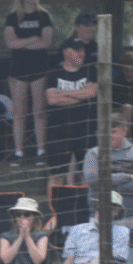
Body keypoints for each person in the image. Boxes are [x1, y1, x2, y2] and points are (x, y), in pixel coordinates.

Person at [3, 0, 52, 167]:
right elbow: (10, 43)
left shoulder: (44, 16)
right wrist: (32, 38)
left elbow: (46, 42)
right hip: (18, 69)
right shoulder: (13, 17)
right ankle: (18, 152)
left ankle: (40, 151)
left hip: (39, 68)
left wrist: (21, 41)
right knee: (19, 112)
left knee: (39, 111)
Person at [83, 113, 133, 224]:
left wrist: (107, 189)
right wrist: (128, 177)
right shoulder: (93, 154)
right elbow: (93, 180)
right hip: (101, 220)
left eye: (113, 132)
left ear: (125, 131)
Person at [46, 38, 97, 186]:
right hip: (59, 131)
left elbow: (92, 92)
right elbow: (52, 99)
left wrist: (64, 94)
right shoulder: (54, 72)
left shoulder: (90, 70)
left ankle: (88, 207)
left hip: (85, 130)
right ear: (66, 53)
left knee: (87, 175)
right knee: (56, 175)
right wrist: (81, 94)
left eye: (82, 50)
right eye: (77, 50)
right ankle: (53, 207)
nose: (82, 53)